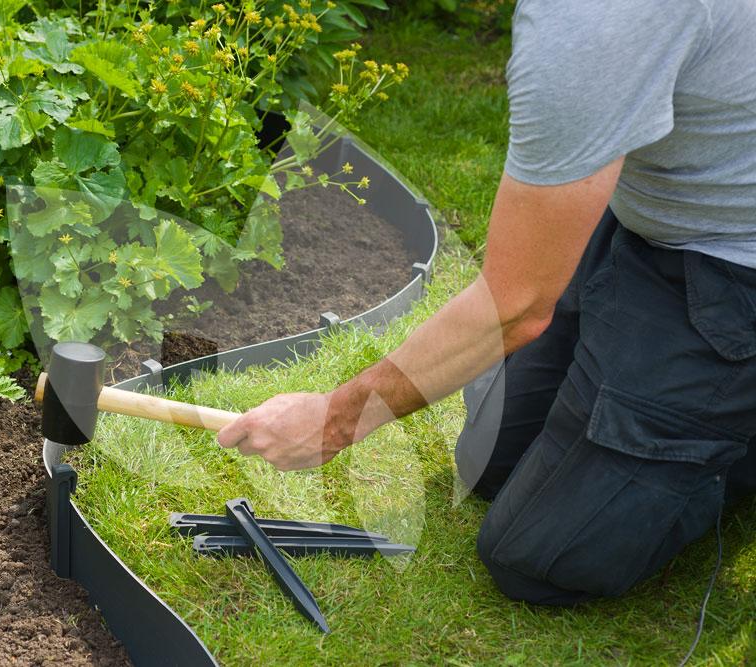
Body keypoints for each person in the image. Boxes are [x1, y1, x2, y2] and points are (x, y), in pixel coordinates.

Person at [217, 0, 756, 605]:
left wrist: (335, 419)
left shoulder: (593, 23)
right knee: (486, 463)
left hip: (733, 268)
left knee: (540, 558)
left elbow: (517, 306)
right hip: (645, 226)